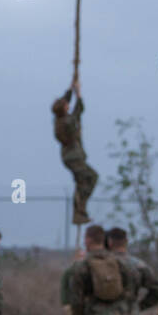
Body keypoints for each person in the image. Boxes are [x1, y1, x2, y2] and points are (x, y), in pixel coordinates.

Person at [67, 223, 134, 315]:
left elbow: (76, 302)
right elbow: (129, 293)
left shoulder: (81, 266)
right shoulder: (120, 263)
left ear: (87, 240)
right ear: (105, 240)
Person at [52, 79, 97, 224]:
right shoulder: (67, 121)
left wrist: (70, 90)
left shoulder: (59, 119)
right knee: (90, 178)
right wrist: (78, 94)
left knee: (83, 181)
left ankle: (80, 211)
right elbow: (79, 110)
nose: (68, 105)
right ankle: (80, 209)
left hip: (71, 157)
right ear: (65, 109)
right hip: (75, 157)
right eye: (66, 105)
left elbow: (64, 102)